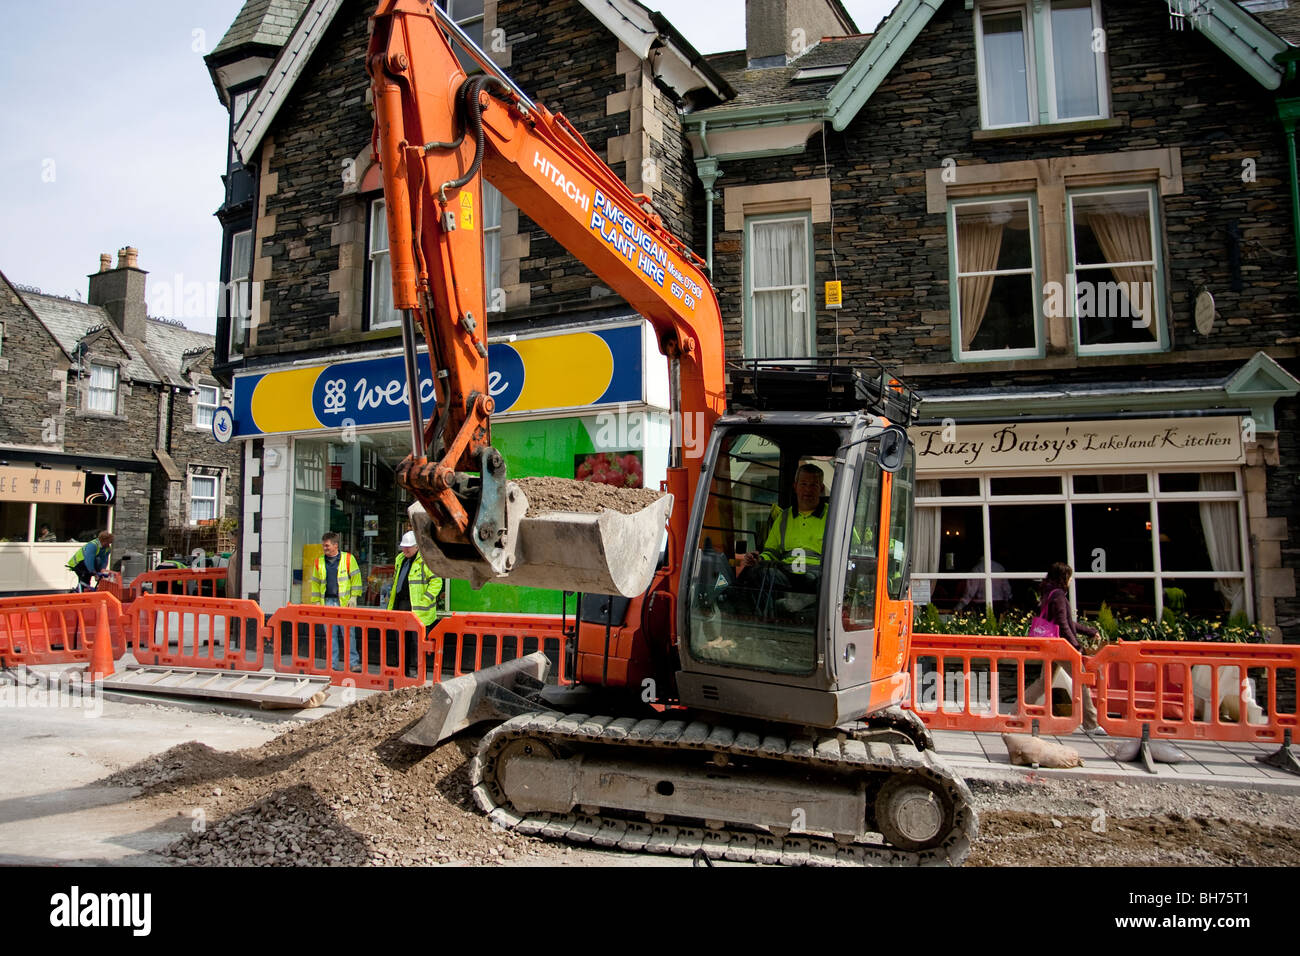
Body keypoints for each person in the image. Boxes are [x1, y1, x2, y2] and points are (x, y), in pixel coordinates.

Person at [733, 463, 828, 614]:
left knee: (825, 582)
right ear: (795, 486)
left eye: (813, 485)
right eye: (803, 484)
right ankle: (760, 624)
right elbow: (771, 552)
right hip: (787, 574)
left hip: (819, 575)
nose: (808, 489)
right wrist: (759, 559)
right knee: (756, 574)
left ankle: (802, 604)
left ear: (821, 488)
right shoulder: (783, 517)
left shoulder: (834, 516)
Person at [1029, 561, 1105, 735]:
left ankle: (1016, 711)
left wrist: (1089, 631)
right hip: (1062, 648)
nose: (1071, 580)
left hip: (1052, 645)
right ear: (1064, 577)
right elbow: (1063, 625)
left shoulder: (1049, 594)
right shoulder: (1059, 597)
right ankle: (1091, 724)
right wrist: (1075, 646)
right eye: (1069, 576)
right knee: (1082, 681)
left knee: (1043, 683)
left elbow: (1066, 622)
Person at [387, 531, 444, 677]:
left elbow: (437, 582)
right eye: (403, 547)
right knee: (402, 642)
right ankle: (404, 672)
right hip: (401, 607)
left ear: (417, 547)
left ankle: (420, 673)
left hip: (419, 610)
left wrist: (426, 599)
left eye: (408, 547)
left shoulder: (426, 561)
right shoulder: (400, 559)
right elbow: (396, 582)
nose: (405, 550)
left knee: (418, 644)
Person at [309, 532, 363, 670]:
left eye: (327, 546)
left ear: (335, 545)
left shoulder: (348, 559)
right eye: (323, 546)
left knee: (349, 634)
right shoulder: (319, 561)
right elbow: (315, 583)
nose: (324, 548)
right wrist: (315, 601)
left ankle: (353, 663)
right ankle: (332, 665)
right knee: (331, 635)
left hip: (344, 603)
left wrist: (354, 597)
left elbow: (356, 579)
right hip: (327, 602)